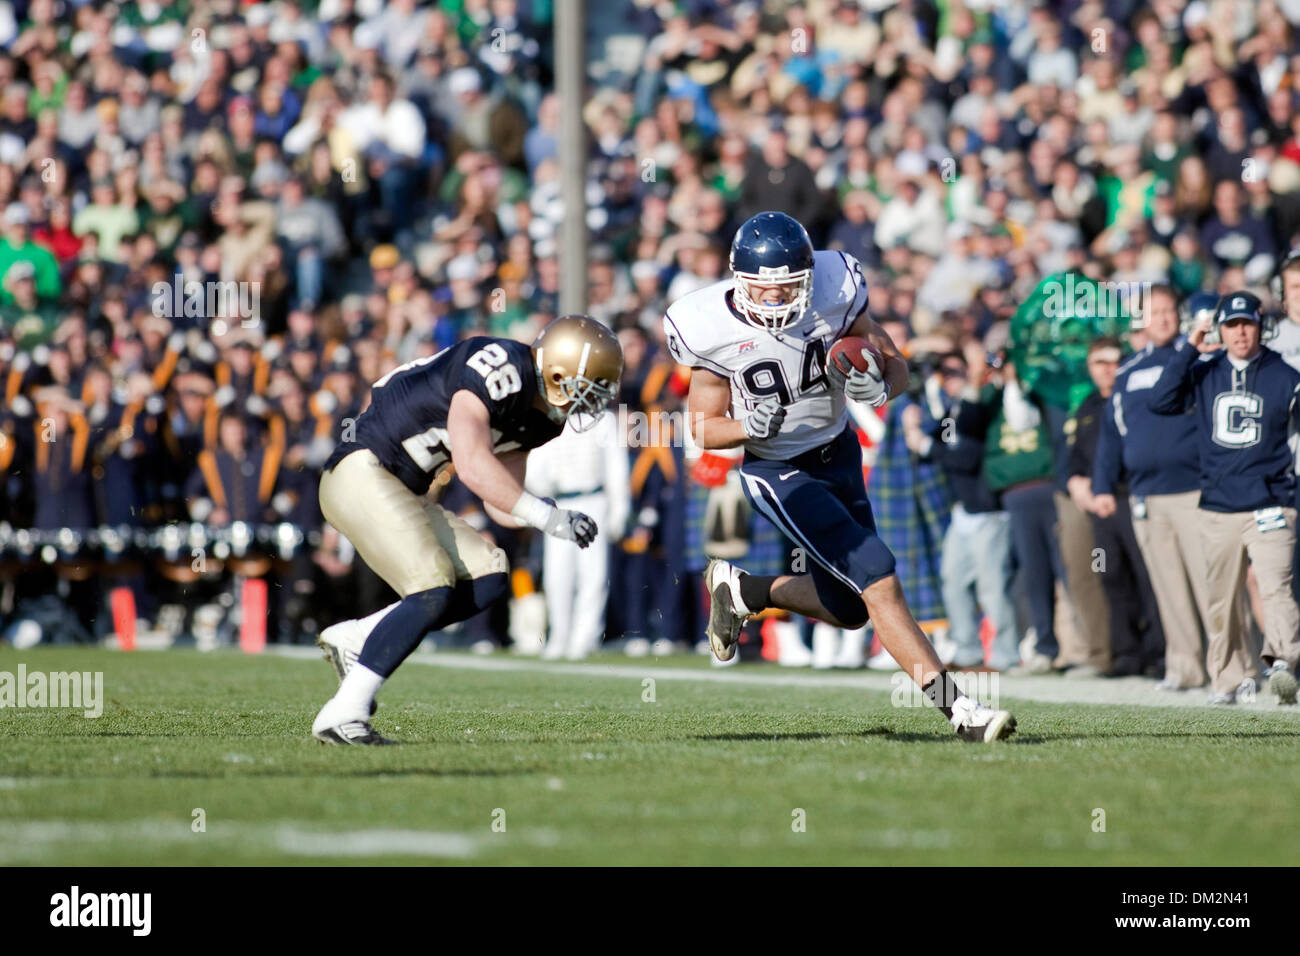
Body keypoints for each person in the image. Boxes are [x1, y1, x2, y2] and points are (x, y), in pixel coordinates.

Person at [663, 210, 1015, 742]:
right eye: (766, 290)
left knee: (850, 607)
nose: (779, 301)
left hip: (839, 450)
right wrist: (743, 424)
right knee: (877, 571)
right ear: (740, 283)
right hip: (777, 469)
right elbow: (699, 427)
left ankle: (745, 592)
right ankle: (962, 712)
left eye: (789, 289)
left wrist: (882, 386)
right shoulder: (706, 325)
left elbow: (896, 363)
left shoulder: (836, 289)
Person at [310, 315, 624, 743]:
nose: (588, 405)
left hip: (405, 490)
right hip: (361, 469)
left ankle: (359, 635)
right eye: (587, 389)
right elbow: (474, 465)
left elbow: (503, 499)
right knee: (432, 585)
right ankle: (345, 710)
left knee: (491, 576)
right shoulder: (501, 369)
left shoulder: (544, 419)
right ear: (557, 371)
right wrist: (546, 515)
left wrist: (557, 521)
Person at [1147, 292, 1300, 706]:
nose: (1239, 333)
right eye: (1231, 325)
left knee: (1276, 586)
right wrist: (1189, 347)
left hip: (1271, 500)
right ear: (1219, 329)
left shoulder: (1285, 375)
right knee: (1221, 600)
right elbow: (1159, 402)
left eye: (1246, 323)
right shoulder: (1204, 371)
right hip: (1218, 504)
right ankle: (1229, 679)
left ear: (1260, 326)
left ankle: (1284, 662)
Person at [1091, 287, 1221, 690]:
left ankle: (1228, 669)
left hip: (1193, 490)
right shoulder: (1127, 373)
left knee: (1211, 584)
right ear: (1143, 321)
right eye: (1155, 312)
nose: (1162, 319)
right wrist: (1102, 485)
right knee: (1168, 590)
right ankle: (1184, 667)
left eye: (1169, 311)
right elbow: (1112, 437)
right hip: (1146, 495)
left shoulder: (1199, 362)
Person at [1066, 336, 1165, 678]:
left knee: (1146, 573)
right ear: (1090, 368)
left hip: (1132, 498)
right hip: (1100, 508)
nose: (1108, 370)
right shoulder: (1088, 407)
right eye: (1099, 363)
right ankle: (1125, 653)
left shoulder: (1135, 399)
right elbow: (1076, 458)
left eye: (1114, 361)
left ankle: (1158, 653)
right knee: (1109, 574)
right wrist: (1076, 481)